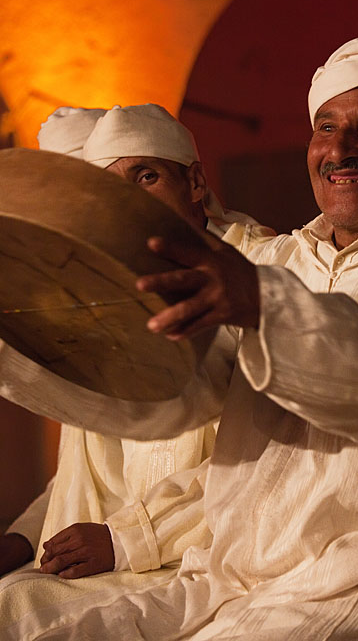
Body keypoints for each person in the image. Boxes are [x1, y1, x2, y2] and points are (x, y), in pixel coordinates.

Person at [0, 38, 358, 640]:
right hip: (229, 573)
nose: (340, 148)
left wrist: (262, 304)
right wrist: (35, 325)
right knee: (18, 613)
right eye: (325, 127)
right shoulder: (283, 261)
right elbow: (179, 401)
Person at [0, 105, 274, 622]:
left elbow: (272, 456)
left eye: (146, 177)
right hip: (121, 556)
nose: (125, 204)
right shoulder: (112, 293)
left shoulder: (255, 275)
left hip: (216, 554)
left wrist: (132, 537)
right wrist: (24, 537)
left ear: (195, 182)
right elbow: (90, 470)